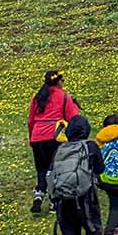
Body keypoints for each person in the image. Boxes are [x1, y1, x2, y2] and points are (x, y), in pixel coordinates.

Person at [46, 114, 103, 235]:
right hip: (85, 196)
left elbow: (51, 172)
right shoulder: (91, 146)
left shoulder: (61, 149)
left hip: (62, 199)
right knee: (93, 227)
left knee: (70, 231)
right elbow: (100, 169)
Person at [28, 70, 80, 213]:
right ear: (58, 82)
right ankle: (53, 200)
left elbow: (30, 119)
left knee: (41, 168)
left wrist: (31, 137)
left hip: (37, 135)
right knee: (55, 169)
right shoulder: (64, 97)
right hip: (54, 135)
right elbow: (73, 117)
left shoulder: (37, 97)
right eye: (62, 81)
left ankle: (39, 194)